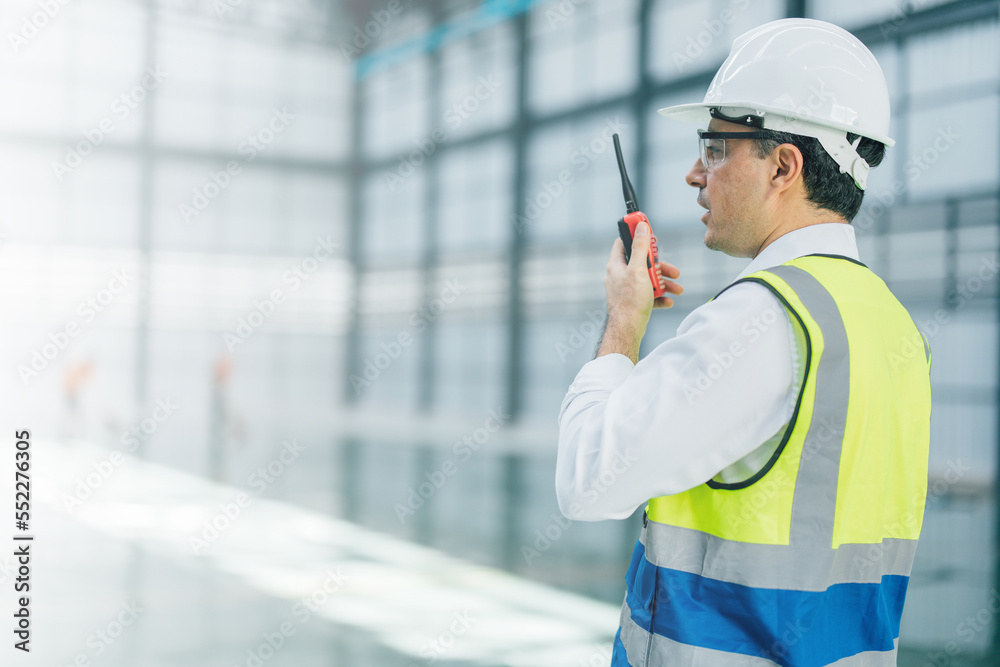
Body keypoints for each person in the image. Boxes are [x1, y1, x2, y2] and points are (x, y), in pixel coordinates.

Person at [555, 18, 932, 666]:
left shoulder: (763, 319)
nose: (694, 175)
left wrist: (624, 321)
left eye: (714, 149)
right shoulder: (895, 327)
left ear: (783, 166)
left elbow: (588, 479)